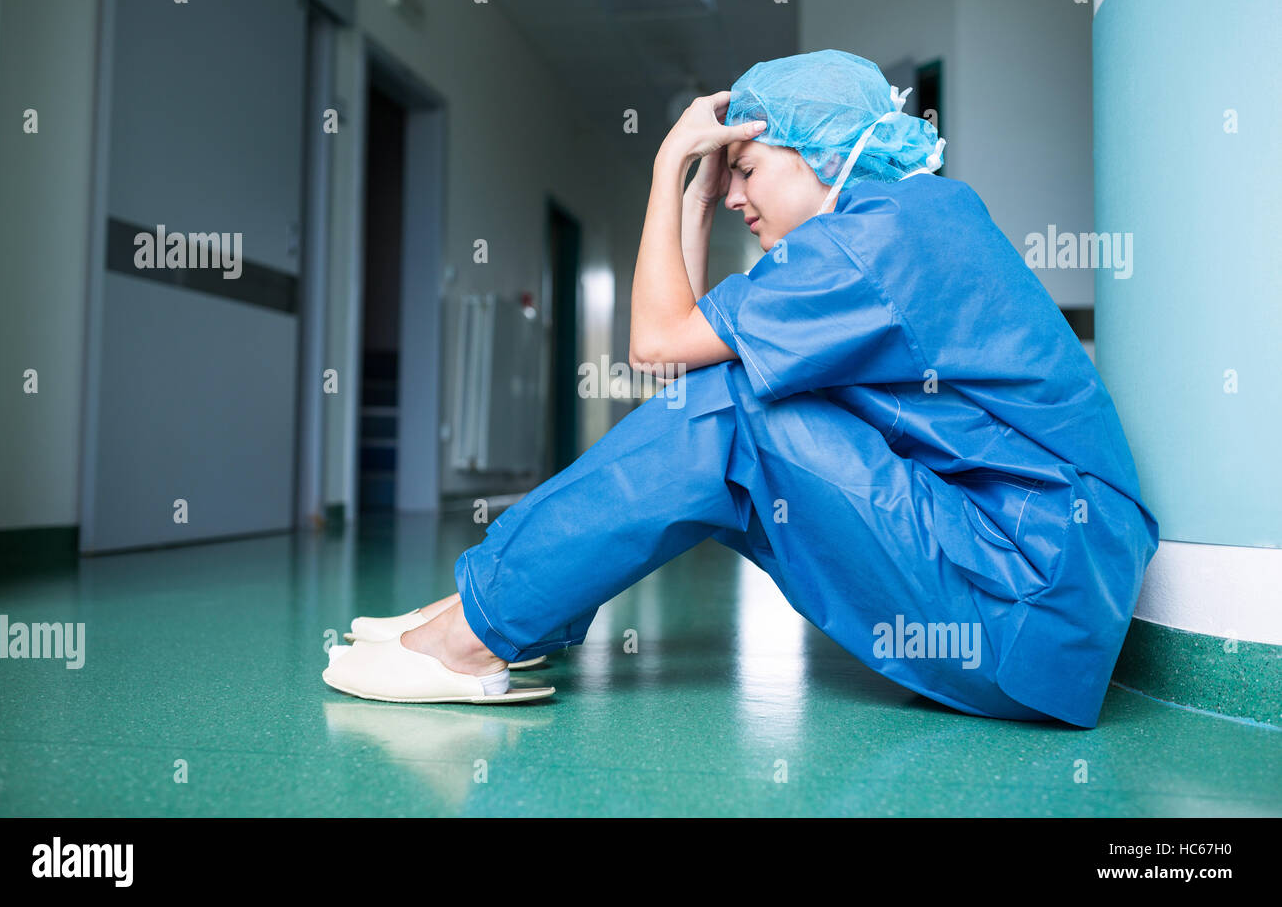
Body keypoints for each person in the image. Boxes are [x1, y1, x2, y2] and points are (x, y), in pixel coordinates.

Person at [324, 50, 1160, 727]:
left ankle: (473, 632)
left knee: (731, 415)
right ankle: (505, 613)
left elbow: (657, 346)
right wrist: (694, 191)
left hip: (1026, 606)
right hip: (1044, 602)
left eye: (744, 169)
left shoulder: (879, 238)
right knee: (732, 403)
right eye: (721, 176)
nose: (731, 196)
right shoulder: (903, 220)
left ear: (826, 154)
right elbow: (679, 353)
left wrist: (666, 165)